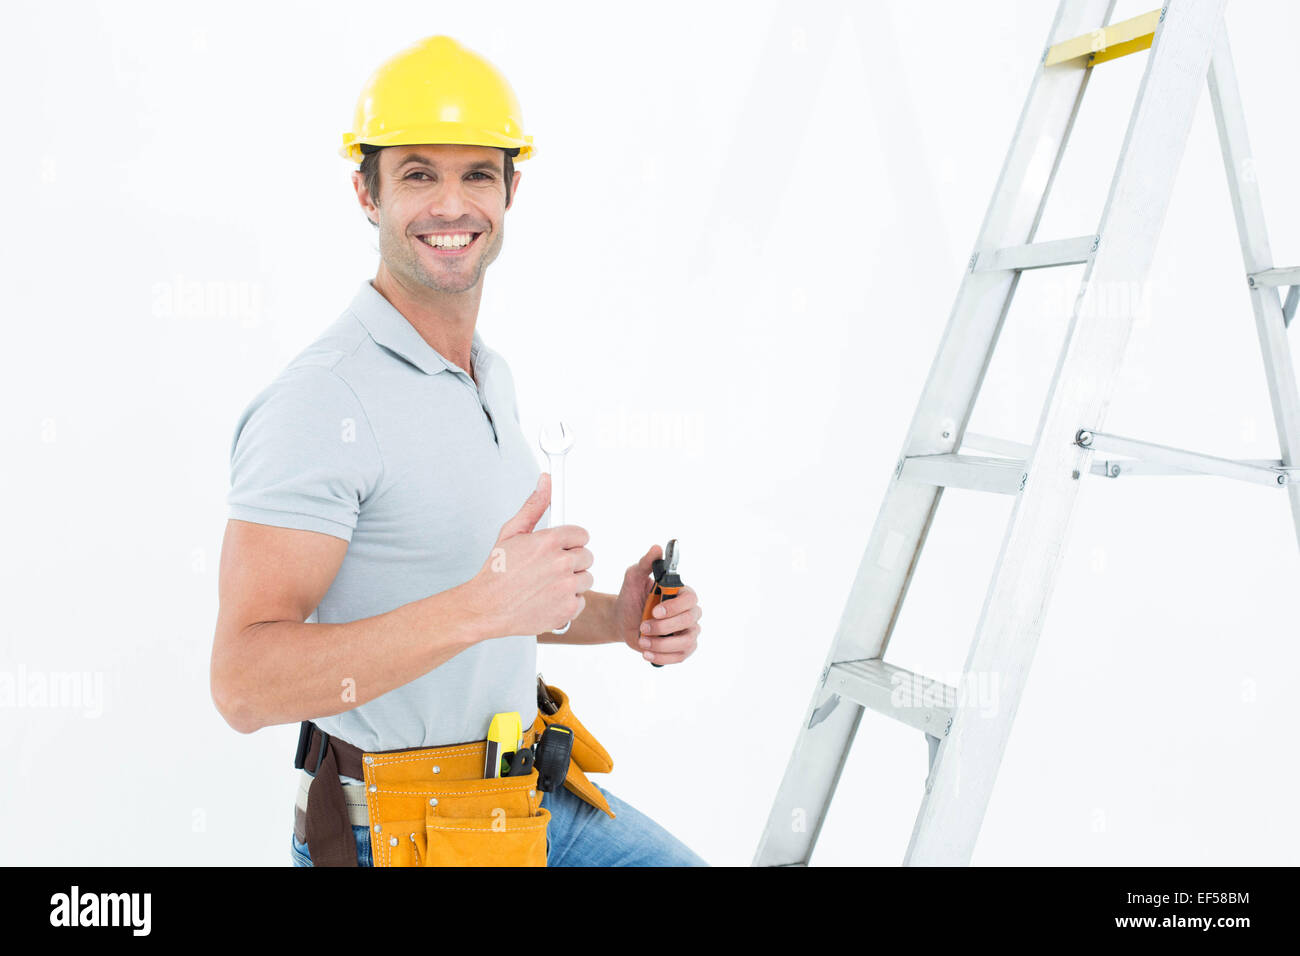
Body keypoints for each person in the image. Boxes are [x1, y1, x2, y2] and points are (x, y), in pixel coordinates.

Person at [210, 35, 706, 867]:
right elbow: (242, 684)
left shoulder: (487, 374)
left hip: (528, 794)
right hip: (403, 835)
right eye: (417, 174)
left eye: (477, 173)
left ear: (512, 189)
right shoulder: (322, 400)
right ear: (366, 191)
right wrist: (482, 606)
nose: (452, 204)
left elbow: (482, 607)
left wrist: (614, 620)